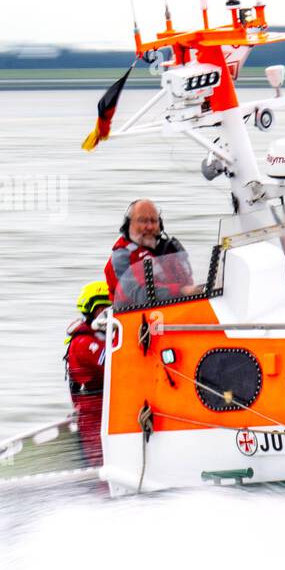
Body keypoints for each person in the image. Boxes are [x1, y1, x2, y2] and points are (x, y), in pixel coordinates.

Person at [104, 199, 202, 307]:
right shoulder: (122, 257)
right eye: (142, 221)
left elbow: (188, 283)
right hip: (136, 317)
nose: (150, 227)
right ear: (128, 225)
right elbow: (138, 294)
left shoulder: (169, 249)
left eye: (154, 221)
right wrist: (181, 291)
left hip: (179, 310)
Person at [65, 280, 111, 467]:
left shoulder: (103, 336)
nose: (109, 313)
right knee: (102, 462)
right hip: (94, 414)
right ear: (91, 310)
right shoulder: (84, 343)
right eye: (103, 309)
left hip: (105, 408)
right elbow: (113, 365)